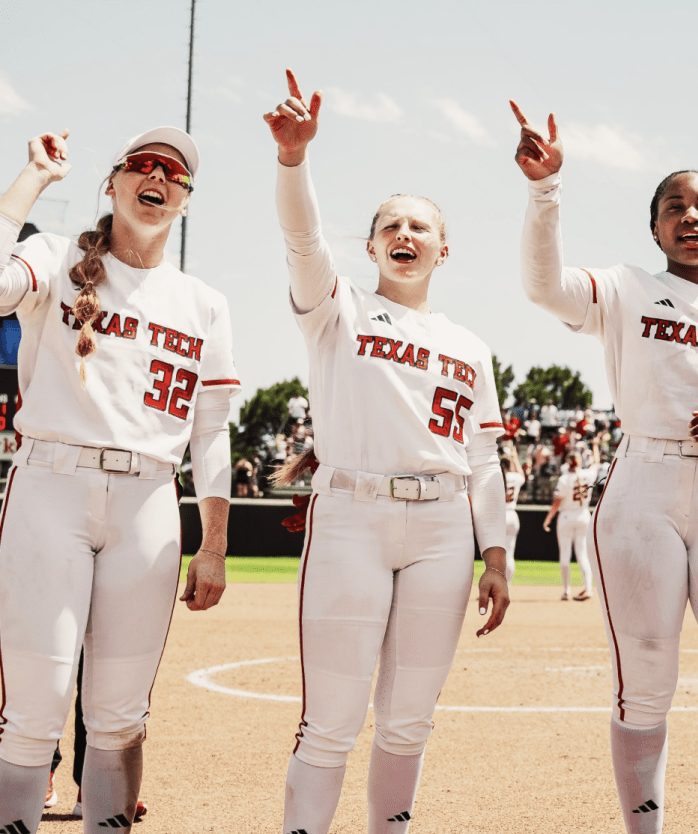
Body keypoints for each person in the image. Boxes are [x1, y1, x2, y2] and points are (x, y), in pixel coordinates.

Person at [513, 99, 698, 834]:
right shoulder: (623, 287)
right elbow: (543, 288)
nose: (690, 216)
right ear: (654, 228)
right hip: (642, 483)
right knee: (644, 680)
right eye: (673, 206)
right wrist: (544, 192)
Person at [265, 70, 510, 834]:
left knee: (408, 722)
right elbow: (302, 238)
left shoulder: (471, 346)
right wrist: (294, 159)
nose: (406, 236)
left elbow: (485, 459)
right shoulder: (338, 307)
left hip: (443, 530)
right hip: (352, 516)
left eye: (421, 227)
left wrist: (495, 553)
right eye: (391, 226)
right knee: (332, 721)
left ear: (444, 249)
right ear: (370, 245)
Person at [0, 125, 236, 833]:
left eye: (175, 173)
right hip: (52, 485)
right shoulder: (56, 254)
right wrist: (33, 180)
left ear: (185, 202)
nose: (158, 176)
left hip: (148, 501)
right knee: (36, 703)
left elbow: (212, 429)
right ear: (113, 182)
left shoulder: (205, 303)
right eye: (143, 164)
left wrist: (216, 541)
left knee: (121, 712)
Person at [542, 451, 595, 601]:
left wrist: (548, 520)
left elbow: (556, 503)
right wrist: (596, 446)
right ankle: (588, 588)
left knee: (565, 554)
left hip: (566, 516)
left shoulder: (564, 479)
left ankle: (566, 591)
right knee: (582, 554)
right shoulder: (588, 474)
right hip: (584, 515)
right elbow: (596, 463)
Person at [503, 451, 526, 579]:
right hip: (512, 515)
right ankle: (507, 587)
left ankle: (493, 588)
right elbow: (522, 475)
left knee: (493, 554)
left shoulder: (497, 477)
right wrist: (515, 458)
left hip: (499, 516)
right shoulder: (516, 477)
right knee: (509, 555)